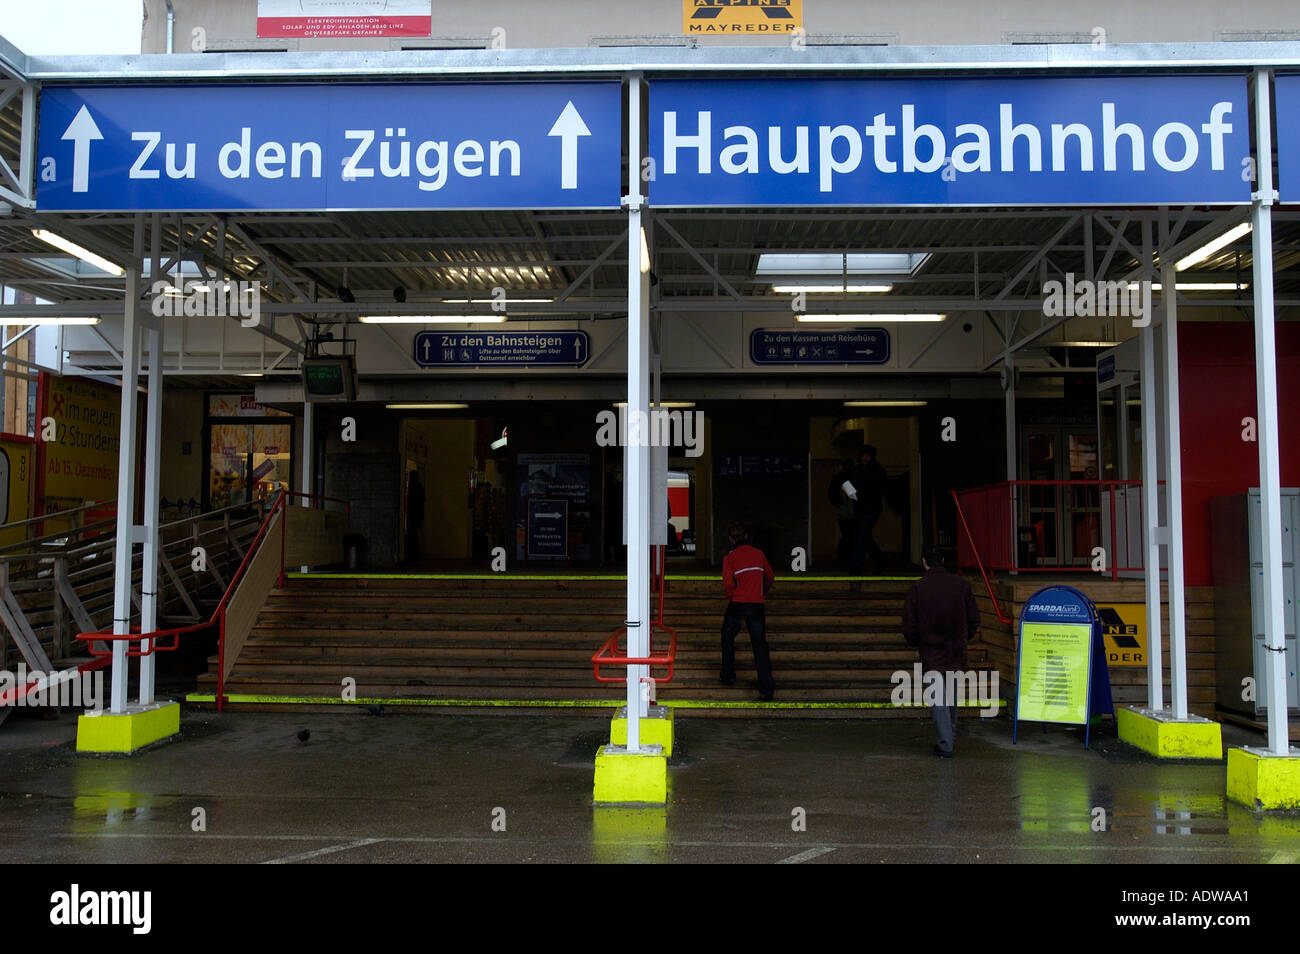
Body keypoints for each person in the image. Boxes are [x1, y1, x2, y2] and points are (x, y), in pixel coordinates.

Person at [902, 545, 981, 758]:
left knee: (937, 699)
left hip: (931, 651)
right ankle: (948, 737)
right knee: (951, 698)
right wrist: (964, 637)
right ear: (943, 561)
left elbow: (909, 625)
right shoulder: (962, 585)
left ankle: (946, 743)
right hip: (955, 649)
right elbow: (974, 619)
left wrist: (915, 642)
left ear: (924, 562)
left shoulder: (918, 588)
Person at [719, 522, 776, 701]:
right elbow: (770, 577)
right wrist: (761, 593)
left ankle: (728, 675)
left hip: (738, 604)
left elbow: (728, 584)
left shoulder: (730, 558)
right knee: (759, 644)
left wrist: (732, 596)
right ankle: (766, 688)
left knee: (727, 637)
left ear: (730, 540)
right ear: (745, 537)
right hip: (756, 604)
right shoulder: (759, 554)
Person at [848, 445, 887, 575]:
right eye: (863, 455)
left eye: (867, 456)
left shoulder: (862, 470)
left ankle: (857, 566)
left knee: (862, 535)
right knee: (864, 535)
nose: (864, 458)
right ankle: (878, 560)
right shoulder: (874, 470)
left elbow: (877, 488)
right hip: (865, 507)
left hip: (868, 507)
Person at [827, 459, 856, 565]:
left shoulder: (838, 478)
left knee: (846, 535)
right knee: (850, 536)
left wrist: (839, 504)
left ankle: (844, 557)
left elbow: (831, 494)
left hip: (843, 512)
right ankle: (847, 557)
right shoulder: (854, 477)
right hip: (850, 512)